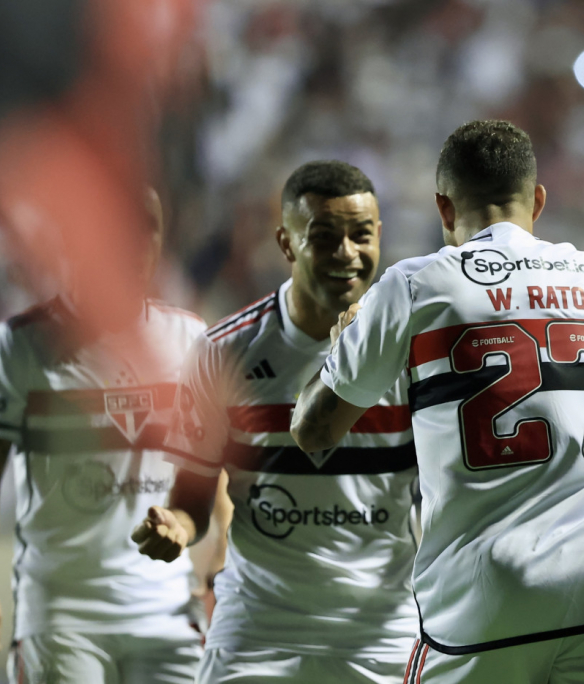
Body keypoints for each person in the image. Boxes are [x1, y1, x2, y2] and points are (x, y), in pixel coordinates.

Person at [291, 121, 584, 684]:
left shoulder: (414, 285)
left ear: (444, 208)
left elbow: (313, 430)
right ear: (537, 201)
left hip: (487, 597)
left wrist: (342, 347)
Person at [132, 161, 420, 683]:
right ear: (286, 243)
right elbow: (192, 500)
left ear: (379, 235)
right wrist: (176, 526)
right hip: (257, 640)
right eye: (324, 237)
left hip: (383, 639)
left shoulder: (414, 351)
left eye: (361, 235)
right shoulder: (223, 352)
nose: (346, 253)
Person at [0, 190, 229, 683]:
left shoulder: (190, 339)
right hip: (63, 617)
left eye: (148, 228)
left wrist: (224, 553)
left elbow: (214, 466)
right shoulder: (19, 346)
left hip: (169, 612)